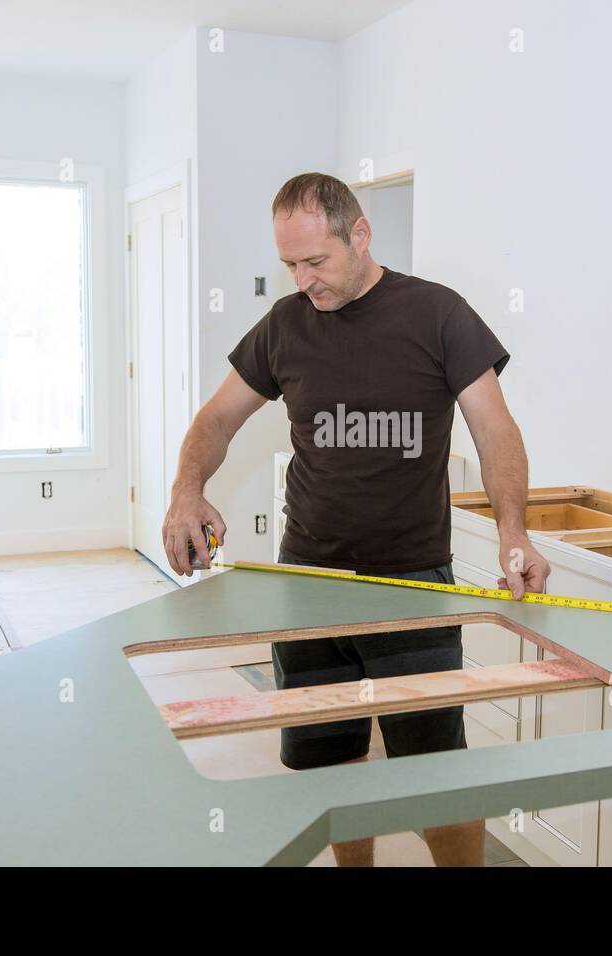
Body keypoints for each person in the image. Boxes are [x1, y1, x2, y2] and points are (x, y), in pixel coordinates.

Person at [162, 172, 549, 866]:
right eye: (290, 265)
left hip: (414, 588)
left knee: (438, 786)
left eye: (317, 262)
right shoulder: (284, 325)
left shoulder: (438, 315)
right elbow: (217, 417)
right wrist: (187, 489)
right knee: (329, 778)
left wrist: (512, 532)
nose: (304, 280)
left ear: (360, 234)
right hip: (309, 587)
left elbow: (495, 429)